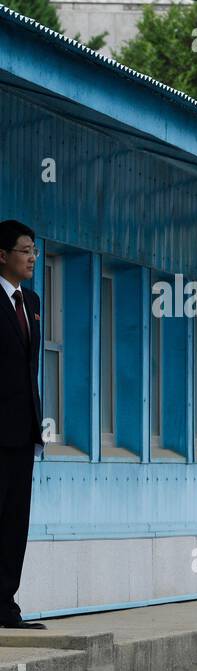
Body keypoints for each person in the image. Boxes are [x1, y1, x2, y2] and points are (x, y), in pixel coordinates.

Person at [0, 221, 44, 629]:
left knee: (16, 520)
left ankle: (6, 604)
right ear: (2, 255)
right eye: (24, 249)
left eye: (33, 250)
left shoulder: (30, 300)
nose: (32, 257)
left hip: (23, 431)